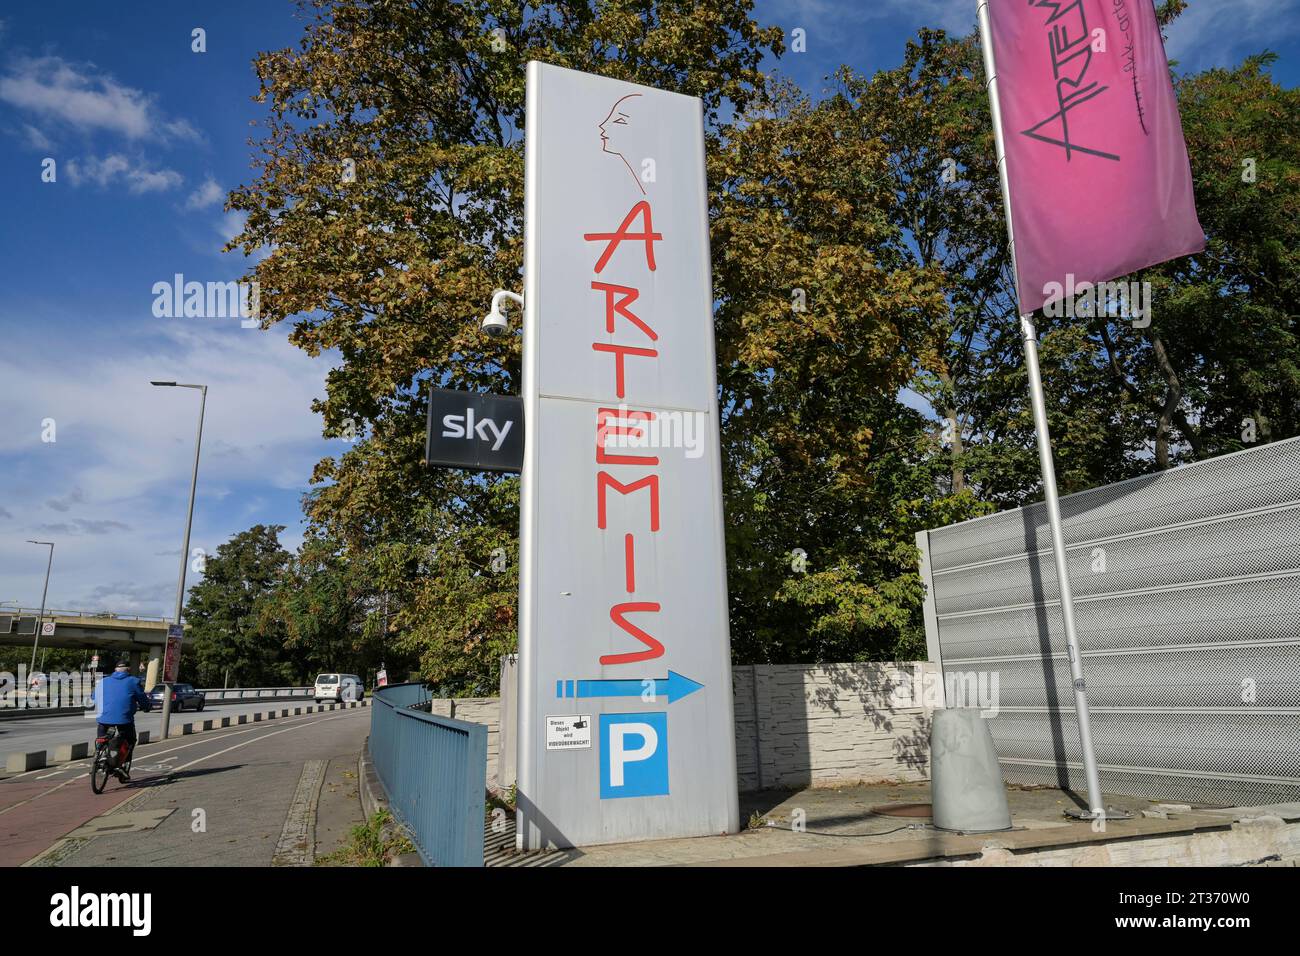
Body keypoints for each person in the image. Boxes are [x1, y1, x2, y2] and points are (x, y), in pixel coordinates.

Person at [91, 659, 152, 782]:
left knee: (102, 738)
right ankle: (121, 766)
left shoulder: (103, 681)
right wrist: (146, 707)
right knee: (130, 740)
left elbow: (93, 698)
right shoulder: (133, 681)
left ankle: (99, 755)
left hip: (104, 718)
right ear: (128, 670)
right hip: (124, 719)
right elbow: (142, 699)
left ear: (115, 670)